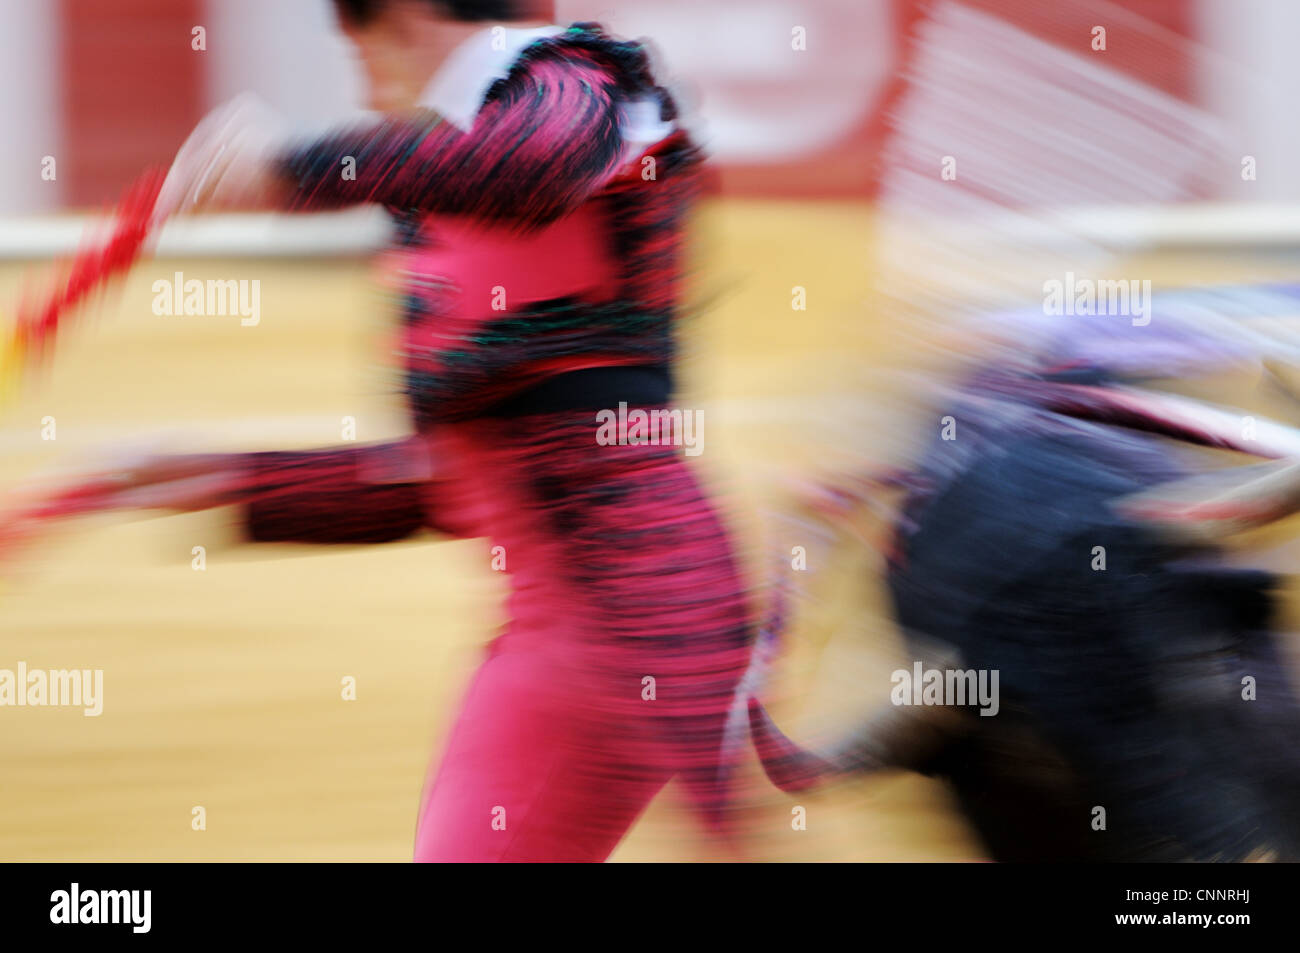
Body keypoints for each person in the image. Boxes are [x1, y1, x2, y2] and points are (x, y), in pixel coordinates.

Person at [6, 0, 757, 862]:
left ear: (387, 20)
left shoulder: (574, 82)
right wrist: (223, 476)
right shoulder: (449, 183)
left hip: (635, 607)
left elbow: (534, 166)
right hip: (568, 624)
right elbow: (448, 481)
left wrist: (299, 169)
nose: (364, 81)